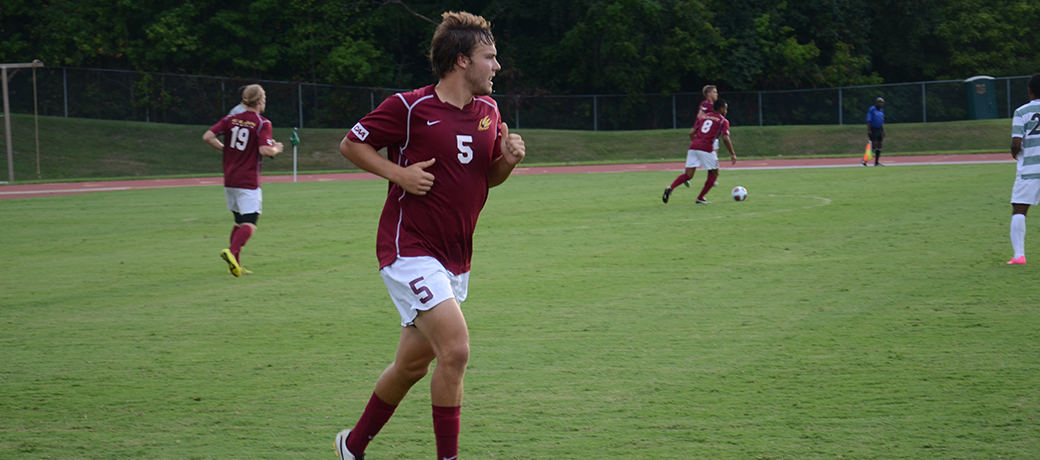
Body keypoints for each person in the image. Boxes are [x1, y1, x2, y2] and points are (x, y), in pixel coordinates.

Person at [335, 11, 526, 460]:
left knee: (412, 365)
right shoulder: (409, 107)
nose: (497, 67)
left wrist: (509, 161)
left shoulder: (490, 111)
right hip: (408, 250)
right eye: (489, 57)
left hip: (456, 258)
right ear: (461, 61)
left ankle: (352, 446)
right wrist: (397, 173)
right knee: (456, 351)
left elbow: (485, 179)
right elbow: (351, 144)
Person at [202, 84, 284, 277]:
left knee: (239, 222)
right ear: (260, 100)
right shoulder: (262, 123)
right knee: (250, 222)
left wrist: (226, 149)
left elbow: (207, 136)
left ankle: (236, 264)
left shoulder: (231, 119)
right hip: (248, 179)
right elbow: (265, 150)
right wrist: (277, 149)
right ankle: (231, 251)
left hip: (230, 178)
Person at [663, 99, 737, 204]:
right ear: (721, 109)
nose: (726, 111)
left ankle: (671, 187)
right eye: (726, 109)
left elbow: (691, 132)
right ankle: (700, 197)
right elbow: (725, 138)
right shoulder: (723, 121)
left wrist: (697, 143)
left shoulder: (703, 117)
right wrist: (732, 153)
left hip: (693, 146)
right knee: (714, 173)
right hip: (706, 148)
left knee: (688, 174)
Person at [1007, 73, 1040, 265]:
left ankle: (1019, 255)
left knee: (1019, 209)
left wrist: (1015, 152)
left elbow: (1016, 143)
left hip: (1030, 169)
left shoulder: (1022, 111)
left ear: (1029, 92)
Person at [865, 97, 885, 166]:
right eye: (879, 102)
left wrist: (883, 131)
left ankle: (876, 162)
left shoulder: (881, 111)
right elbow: (869, 120)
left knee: (879, 145)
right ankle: (865, 159)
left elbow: (881, 122)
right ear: (876, 103)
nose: (881, 103)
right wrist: (869, 130)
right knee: (874, 145)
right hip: (873, 129)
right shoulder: (872, 109)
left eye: (882, 102)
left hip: (879, 129)